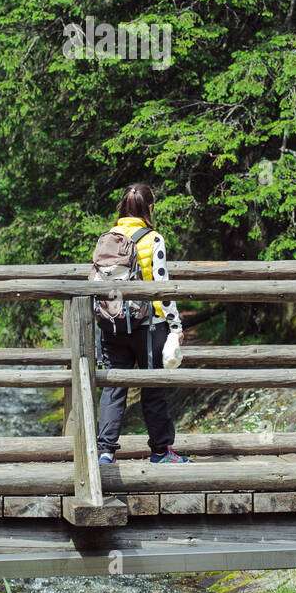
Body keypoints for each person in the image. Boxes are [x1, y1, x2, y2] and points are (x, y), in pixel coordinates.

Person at [96, 182, 188, 464]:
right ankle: (160, 451)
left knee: (114, 387)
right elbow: (161, 285)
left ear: (122, 209)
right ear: (149, 209)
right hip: (148, 327)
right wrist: (176, 326)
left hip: (112, 324)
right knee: (153, 389)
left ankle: (105, 452)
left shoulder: (107, 238)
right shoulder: (153, 238)